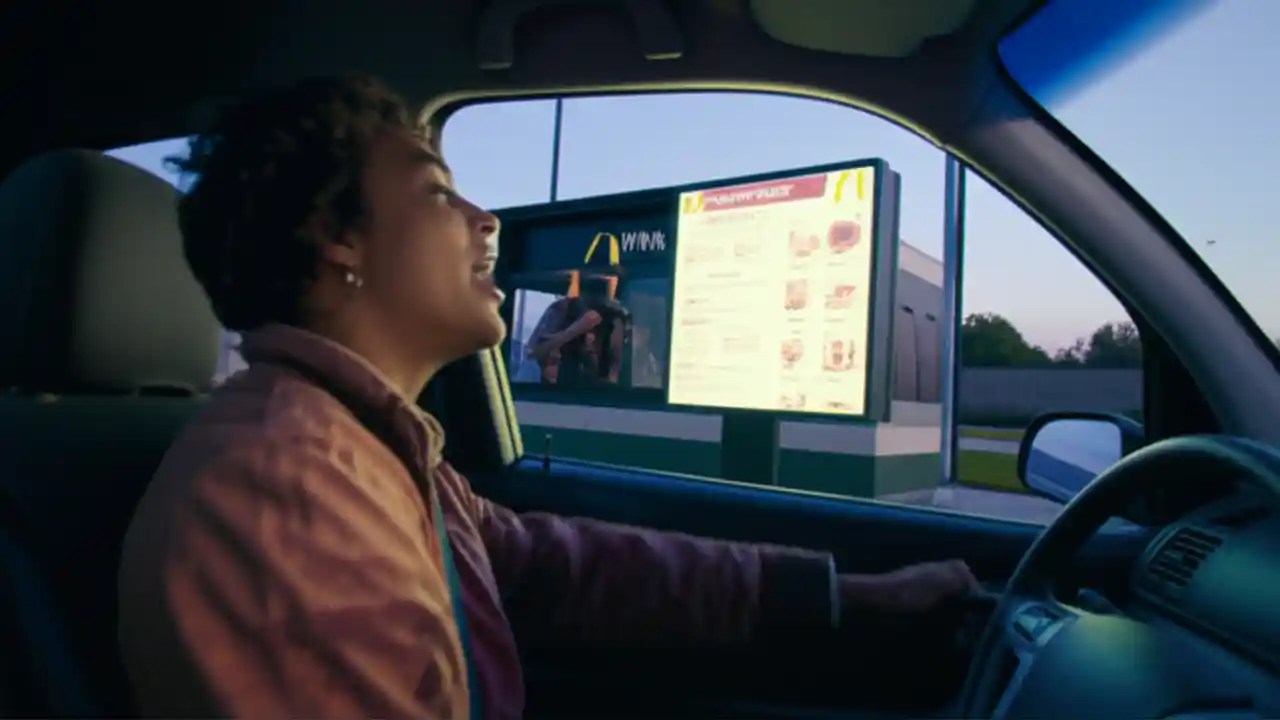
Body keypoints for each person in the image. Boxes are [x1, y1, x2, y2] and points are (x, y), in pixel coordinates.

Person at [117, 75, 979, 720]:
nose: (484, 217)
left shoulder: (371, 449)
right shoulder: (285, 487)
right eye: (435, 190)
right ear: (335, 237)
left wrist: (846, 597)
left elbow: (552, 569)